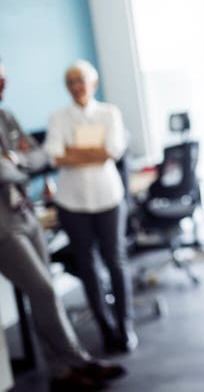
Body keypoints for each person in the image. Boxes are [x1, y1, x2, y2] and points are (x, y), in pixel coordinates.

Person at [0, 53, 125, 391]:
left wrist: (16, 159)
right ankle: (79, 359)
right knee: (42, 289)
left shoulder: (4, 115)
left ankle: (60, 372)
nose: (4, 82)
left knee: (44, 293)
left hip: (23, 214)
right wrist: (18, 162)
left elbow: (40, 154)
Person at [44, 59, 137, 354]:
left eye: (81, 79)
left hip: (108, 198)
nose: (76, 86)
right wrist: (91, 152)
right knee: (88, 267)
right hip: (72, 202)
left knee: (115, 262)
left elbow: (111, 151)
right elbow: (53, 156)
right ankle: (106, 328)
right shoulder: (59, 117)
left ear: (93, 83)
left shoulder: (109, 113)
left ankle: (125, 326)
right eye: (70, 81)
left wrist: (74, 152)